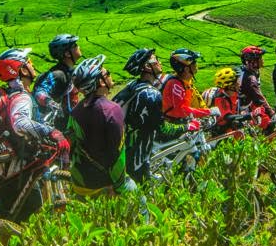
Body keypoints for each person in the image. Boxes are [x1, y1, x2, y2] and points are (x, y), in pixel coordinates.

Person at [0, 48, 70, 221]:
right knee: (28, 219)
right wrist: (52, 132)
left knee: (9, 214)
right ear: (22, 70)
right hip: (19, 170)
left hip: (5, 167)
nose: (32, 64)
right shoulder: (21, 97)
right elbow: (20, 124)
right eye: (28, 62)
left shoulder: (7, 93)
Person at [67, 55, 135, 197]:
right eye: (107, 73)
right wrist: (119, 186)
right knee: (141, 205)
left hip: (81, 182)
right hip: (103, 183)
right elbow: (118, 156)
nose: (110, 76)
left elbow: (71, 143)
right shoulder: (111, 111)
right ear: (100, 82)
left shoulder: (76, 111)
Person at [113, 49, 182, 182]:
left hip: (122, 150)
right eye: (156, 60)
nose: (160, 62)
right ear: (146, 66)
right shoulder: (151, 94)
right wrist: (187, 126)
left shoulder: (132, 86)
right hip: (137, 155)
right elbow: (162, 129)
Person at [33, 33, 82, 130]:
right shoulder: (58, 74)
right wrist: (53, 105)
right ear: (67, 54)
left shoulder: (69, 71)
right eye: (75, 45)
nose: (78, 46)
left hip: (70, 124)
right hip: (59, 128)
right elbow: (39, 93)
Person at [161, 48, 216, 130]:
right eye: (194, 62)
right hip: (175, 126)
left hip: (185, 121)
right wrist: (207, 112)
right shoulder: (175, 84)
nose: (197, 64)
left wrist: (207, 112)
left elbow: (197, 101)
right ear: (186, 69)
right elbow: (180, 110)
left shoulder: (187, 82)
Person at [235, 46, 276, 131]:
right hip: (240, 109)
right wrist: (272, 114)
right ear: (254, 61)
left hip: (245, 106)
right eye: (260, 58)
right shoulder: (251, 79)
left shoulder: (247, 71)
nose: (263, 60)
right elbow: (259, 99)